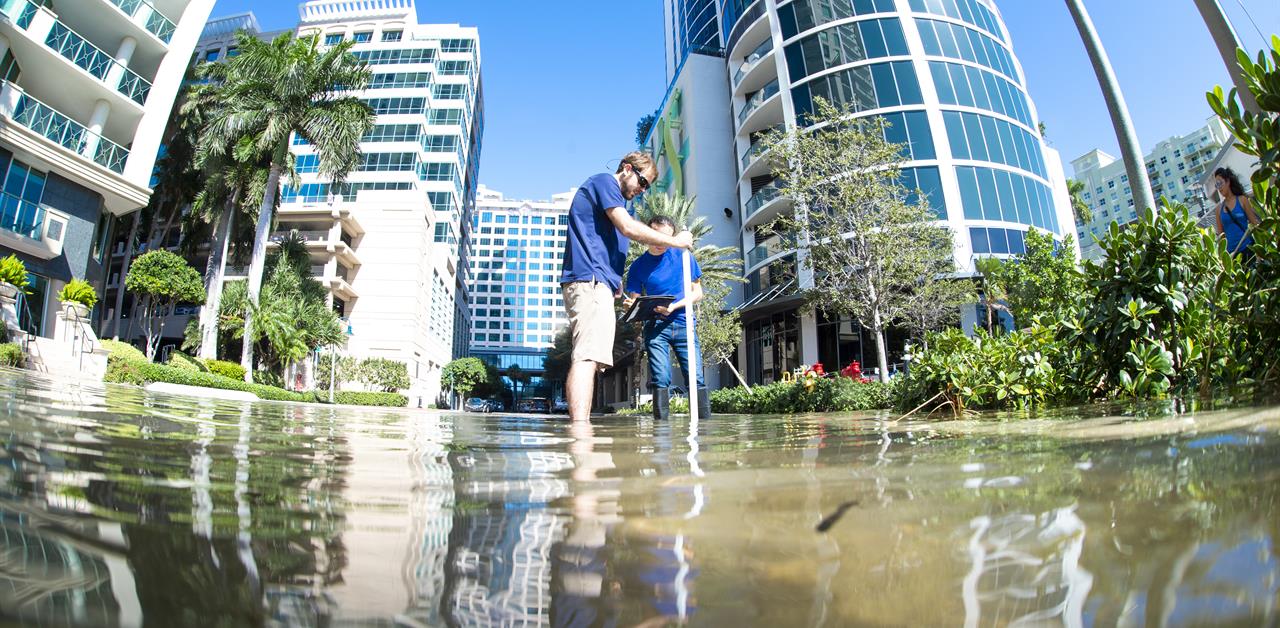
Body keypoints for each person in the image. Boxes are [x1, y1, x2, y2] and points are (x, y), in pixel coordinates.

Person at [561, 151, 693, 423]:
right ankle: (580, 434)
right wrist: (676, 242)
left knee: (593, 358)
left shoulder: (616, 200)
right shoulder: (605, 183)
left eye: (647, 188)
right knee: (587, 357)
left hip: (600, 284)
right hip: (590, 282)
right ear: (628, 168)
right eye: (642, 183)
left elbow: (604, 239)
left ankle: (581, 429)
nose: (642, 191)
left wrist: (615, 281)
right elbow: (628, 228)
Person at [624, 215, 709, 421]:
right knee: (661, 378)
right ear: (648, 234)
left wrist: (674, 306)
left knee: (695, 377)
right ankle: (661, 433)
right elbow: (635, 301)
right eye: (657, 236)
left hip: (683, 323)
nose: (662, 243)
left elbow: (698, 293)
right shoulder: (637, 266)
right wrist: (631, 306)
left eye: (667, 238)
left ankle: (703, 430)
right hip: (655, 328)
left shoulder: (684, 257)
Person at [1213, 167, 1260, 258]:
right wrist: (1223, 258)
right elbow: (1221, 237)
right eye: (1216, 185)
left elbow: (1254, 224)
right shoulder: (1219, 209)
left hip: (1248, 249)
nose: (1219, 188)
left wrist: (1259, 252)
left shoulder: (1242, 200)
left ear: (1228, 181)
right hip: (1232, 255)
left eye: (1220, 183)